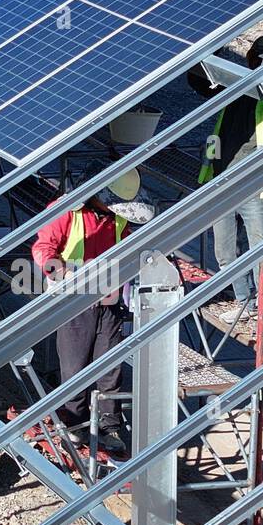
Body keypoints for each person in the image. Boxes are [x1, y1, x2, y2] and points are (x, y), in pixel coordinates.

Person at [31, 161, 154, 456]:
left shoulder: (117, 216)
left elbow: (127, 246)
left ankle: (110, 424)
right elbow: (42, 249)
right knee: (75, 367)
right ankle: (73, 426)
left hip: (109, 299)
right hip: (74, 303)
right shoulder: (68, 211)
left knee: (109, 364)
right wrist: (62, 273)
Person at [190, 34, 263, 349]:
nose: (260, 61)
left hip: (253, 184)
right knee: (225, 250)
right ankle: (245, 302)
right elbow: (200, 81)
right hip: (222, 181)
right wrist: (212, 51)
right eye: (259, 56)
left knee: (261, 251)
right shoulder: (235, 87)